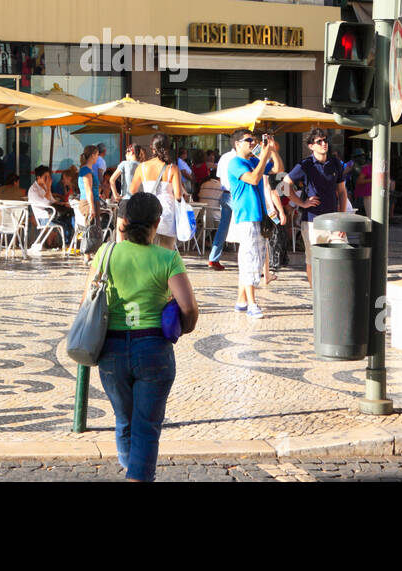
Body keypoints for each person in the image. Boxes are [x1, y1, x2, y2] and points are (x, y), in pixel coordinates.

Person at [87, 192, 199, 482]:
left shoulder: (105, 254)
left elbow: (87, 301)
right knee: (146, 426)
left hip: (111, 350)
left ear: (123, 221)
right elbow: (188, 307)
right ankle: (137, 475)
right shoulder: (167, 257)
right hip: (153, 349)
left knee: (125, 420)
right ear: (157, 223)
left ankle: (133, 470)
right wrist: (183, 328)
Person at [226, 130, 282, 318]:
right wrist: (264, 155)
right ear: (237, 144)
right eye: (248, 140)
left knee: (256, 260)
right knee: (249, 259)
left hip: (259, 216)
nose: (253, 143)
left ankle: (241, 301)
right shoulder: (235, 163)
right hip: (246, 217)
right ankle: (252, 304)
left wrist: (272, 150)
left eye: (254, 140)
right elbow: (253, 179)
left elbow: (278, 169)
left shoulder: (253, 161)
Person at [285, 128, 349, 286]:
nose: (323, 144)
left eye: (325, 140)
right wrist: (302, 203)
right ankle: (316, 294)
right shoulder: (305, 165)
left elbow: (342, 192)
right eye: (319, 141)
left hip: (334, 221)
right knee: (313, 260)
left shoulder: (335, 163)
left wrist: (342, 219)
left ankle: (335, 291)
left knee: (342, 257)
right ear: (311, 146)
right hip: (312, 222)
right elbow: (285, 185)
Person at [129, 133, 185, 250]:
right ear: (167, 148)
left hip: (147, 214)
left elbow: (132, 190)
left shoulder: (142, 167)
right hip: (167, 215)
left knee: (147, 250)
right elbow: (178, 195)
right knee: (167, 251)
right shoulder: (172, 168)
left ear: (152, 147)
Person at [205, 143, 239, 271]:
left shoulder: (224, 157)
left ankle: (213, 258)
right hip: (236, 195)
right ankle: (246, 261)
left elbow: (219, 177)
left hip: (224, 194)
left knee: (223, 228)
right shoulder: (239, 158)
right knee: (245, 226)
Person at [27, 165, 73, 250]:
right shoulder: (33, 190)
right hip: (43, 218)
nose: (48, 179)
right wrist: (48, 187)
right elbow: (46, 203)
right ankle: (67, 244)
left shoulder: (44, 187)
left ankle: (69, 243)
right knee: (65, 222)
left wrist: (63, 204)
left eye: (49, 177)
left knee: (70, 217)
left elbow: (52, 201)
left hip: (51, 215)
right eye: (45, 177)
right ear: (38, 177)